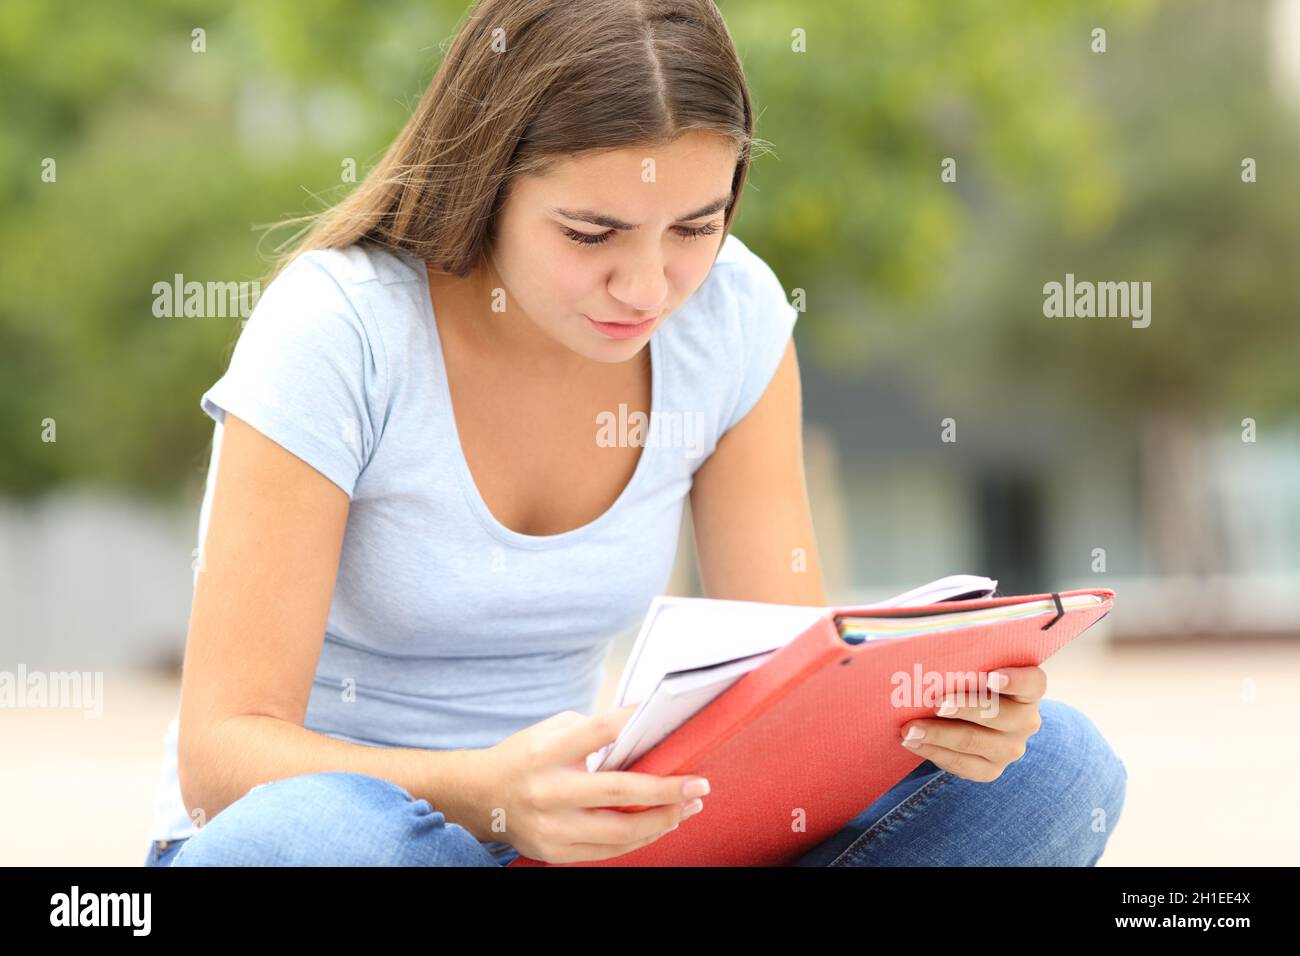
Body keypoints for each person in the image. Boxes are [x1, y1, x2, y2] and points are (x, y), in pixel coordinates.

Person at [145, 0, 1126, 867]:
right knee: (323, 839)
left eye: (695, 227)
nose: (648, 287)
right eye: (590, 233)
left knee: (1055, 766)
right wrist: (491, 793)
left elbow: (785, 685)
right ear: (487, 182)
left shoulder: (732, 314)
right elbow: (222, 755)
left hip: (600, 844)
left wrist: (920, 716)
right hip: (369, 840)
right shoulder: (340, 326)